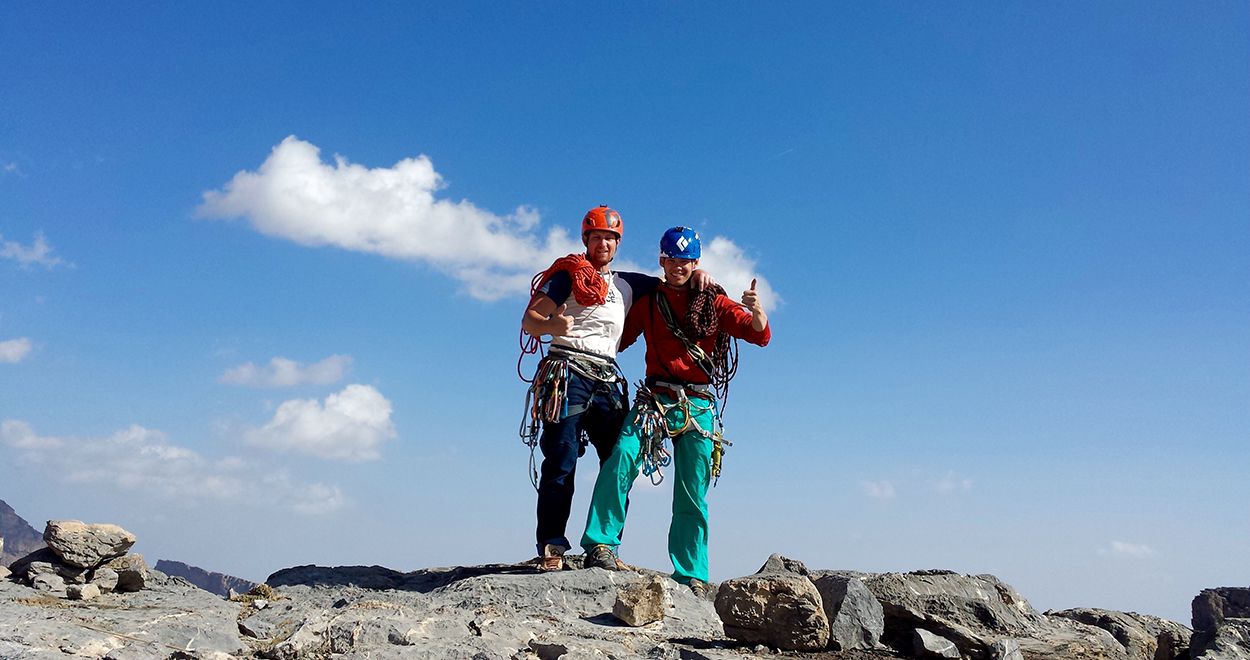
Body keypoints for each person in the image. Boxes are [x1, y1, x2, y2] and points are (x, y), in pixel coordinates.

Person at [579, 226, 770, 595]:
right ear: (661, 260)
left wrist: (756, 311)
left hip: (697, 404)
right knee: (622, 456)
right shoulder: (651, 300)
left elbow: (758, 334)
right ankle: (601, 543)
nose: (679, 267)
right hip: (657, 398)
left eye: (686, 261)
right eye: (672, 260)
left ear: (695, 262)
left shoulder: (713, 301)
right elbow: (619, 337)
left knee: (692, 491)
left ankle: (691, 573)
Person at [520, 207, 712, 572]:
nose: (603, 243)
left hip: (606, 378)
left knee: (618, 461)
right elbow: (530, 320)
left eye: (609, 238)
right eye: (596, 237)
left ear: (618, 243)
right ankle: (552, 546)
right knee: (561, 459)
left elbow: (674, 278)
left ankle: (604, 547)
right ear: (586, 241)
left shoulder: (631, 284)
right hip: (567, 372)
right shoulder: (567, 277)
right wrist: (551, 326)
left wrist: (700, 272)